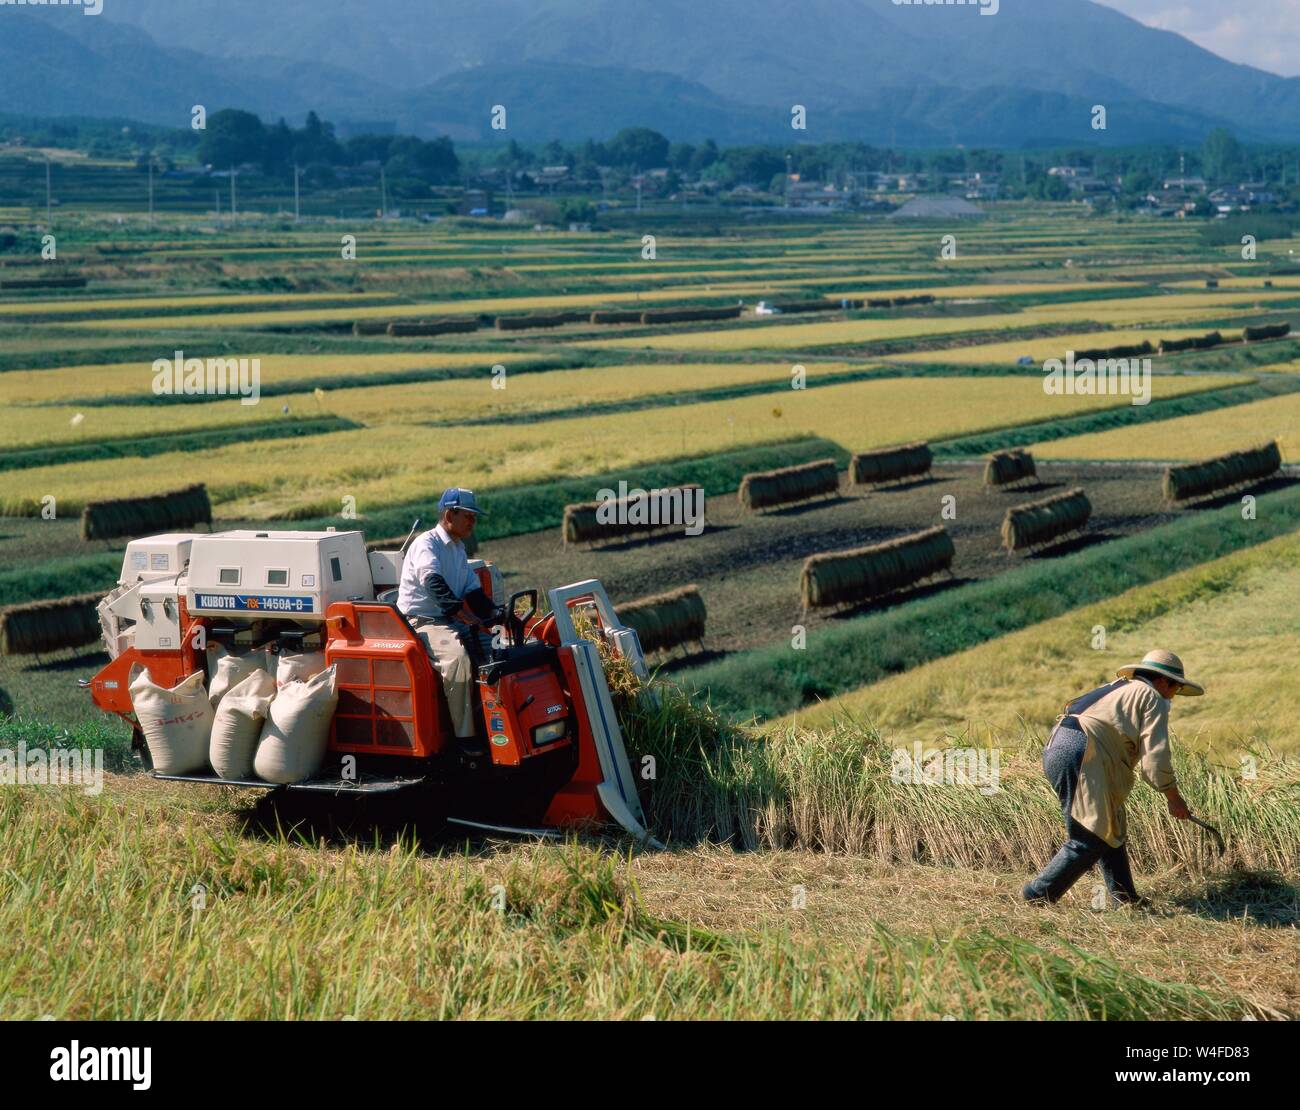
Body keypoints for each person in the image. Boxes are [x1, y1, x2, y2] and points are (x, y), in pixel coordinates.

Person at [1022, 649, 1203, 908]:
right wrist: (1174, 798)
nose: (1174, 696)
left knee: (1109, 824)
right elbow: (1155, 760)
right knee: (1089, 837)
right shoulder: (1152, 697)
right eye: (1176, 688)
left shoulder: (1122, 688)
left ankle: (1125, 898)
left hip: (1059, 747)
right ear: (1164, 681)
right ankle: (1037, 895)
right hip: (1083, 751)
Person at [396, 488, 502, 739]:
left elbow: (472, 590)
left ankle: (494, 723)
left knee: (497, 654)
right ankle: (466, 739)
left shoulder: (457, 548)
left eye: (474, 517)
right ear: (449, 514)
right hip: (421, 621)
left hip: (449, 619)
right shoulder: (427, 544)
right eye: (469, 516)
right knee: (457, 661)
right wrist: (462, 614)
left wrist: (498, 612)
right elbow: (432, 582)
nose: (473, 523)